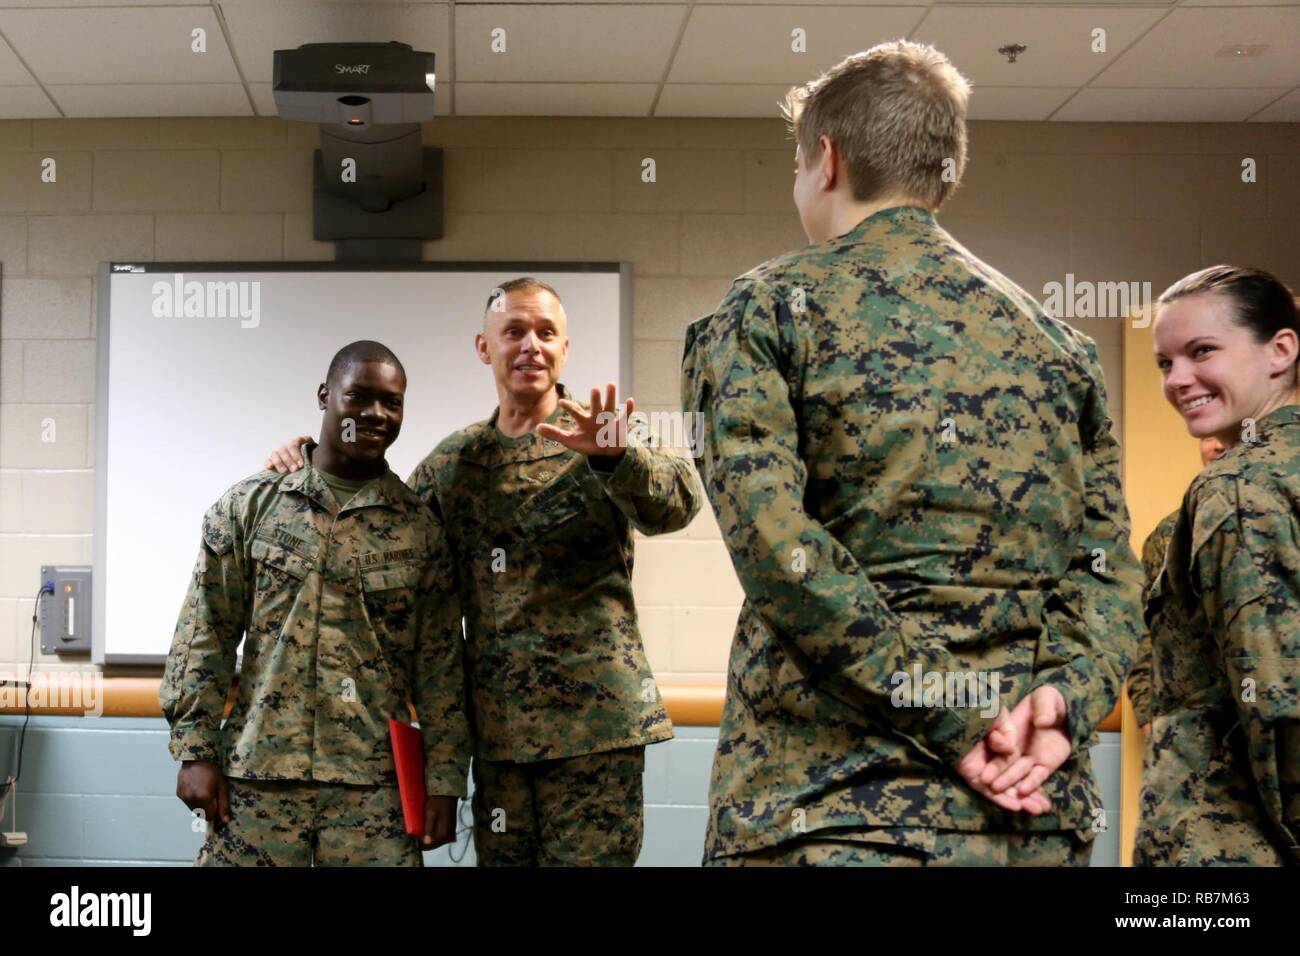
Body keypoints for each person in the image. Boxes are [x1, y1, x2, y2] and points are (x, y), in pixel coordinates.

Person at [680, 40, 1143, 866]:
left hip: (834, 812)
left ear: (827, 160)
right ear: (947, 172)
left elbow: (781, 553)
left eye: (796, 164)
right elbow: (1106, 567)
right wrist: (1064, 700)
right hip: (1030, 826)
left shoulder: (767, 310)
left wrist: (951, 711)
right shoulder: (1062, 347)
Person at [265, 279, 702, 865]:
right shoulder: (455, 462)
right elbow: (382, 517)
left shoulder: (601, 436)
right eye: (514, 332)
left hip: (595, 736)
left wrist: (618, 458)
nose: (532, 346)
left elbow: (677, 503)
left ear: (565, 350)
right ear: (483, 347)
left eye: (547, 333)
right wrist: (304, 454)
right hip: (498, 742)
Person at [161, 341, 469, 866]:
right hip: (257, 784)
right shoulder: (250, 507)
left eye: (391, 403)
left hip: (375, 794)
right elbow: (205, 634)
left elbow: (440, 667)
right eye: (359, 397)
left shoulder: (419, 529)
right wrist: (194, 750)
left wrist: (443, 781)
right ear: (326, 396)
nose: (376, 414)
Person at [1134, 265, 1300, 866]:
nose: (1179, 380)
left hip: (1230, 852)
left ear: (1281, 350)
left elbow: (1276, 698)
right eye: (1164, 363)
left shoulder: (1238, 486)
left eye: (1202, 351)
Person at [1127, 436, 1224, 738]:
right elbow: (1146, 628)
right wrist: (1147, 714)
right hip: (1191, 736)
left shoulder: (1283, 520)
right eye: (1209, 436)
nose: (1218, 445)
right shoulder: (1169, 535)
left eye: (1231, 430)